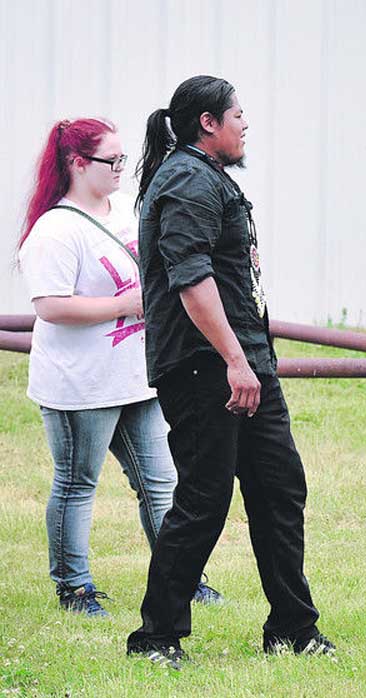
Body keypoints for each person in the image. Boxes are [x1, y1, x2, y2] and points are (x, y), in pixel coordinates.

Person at [125, 76, 333, 669]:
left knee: (279, 490)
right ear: (207, 124)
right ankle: (155, 638)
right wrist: (235, 362)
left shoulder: (209, 178)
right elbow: (191, 280)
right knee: (204, 499)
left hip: (245, 366)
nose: (247, 124)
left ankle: (292, 628)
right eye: (238, 114)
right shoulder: (188, 178)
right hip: (206, 370)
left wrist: (252, 363)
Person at [16, 118, 222, 617]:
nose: (121, 170)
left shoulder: (125, 217)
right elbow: (50, 305)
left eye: (122, 159)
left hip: (135, 376)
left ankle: (183, 577)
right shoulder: (56, 229)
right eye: (112, 161)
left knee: (162, 482)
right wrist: (127, 305)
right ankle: (75, 588)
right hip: (79, 384)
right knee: (76, 483)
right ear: (77, 163)